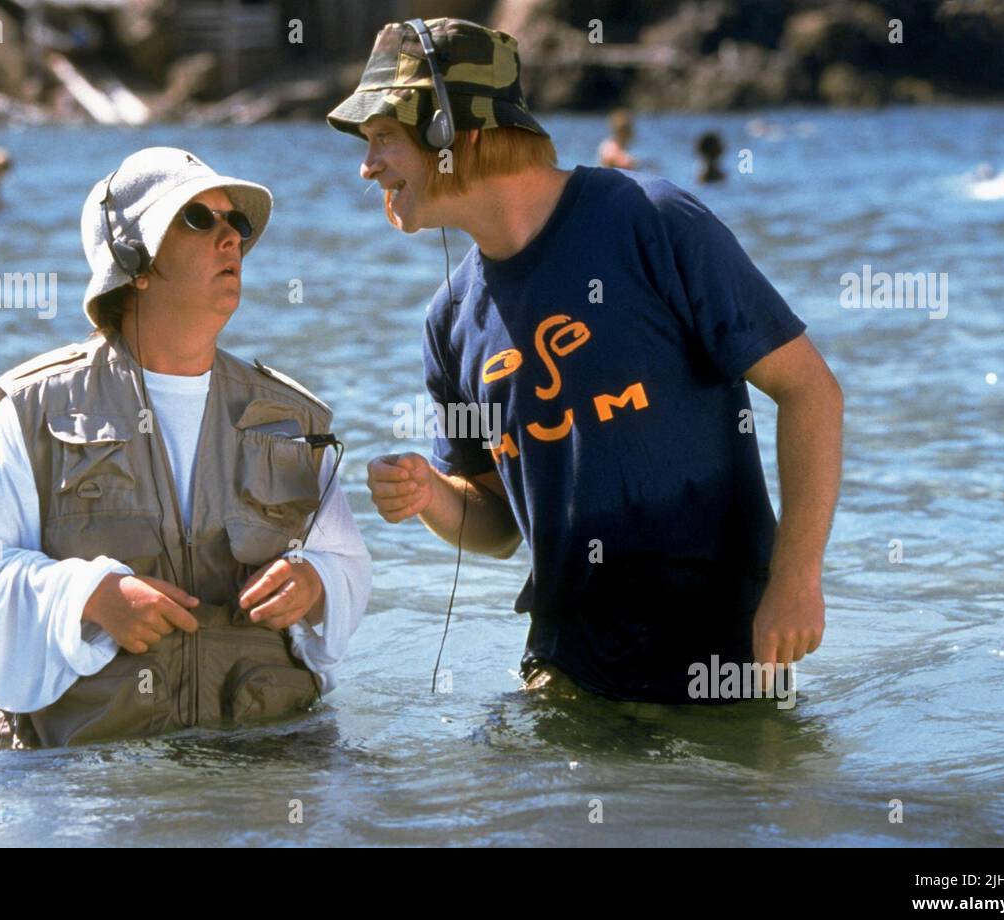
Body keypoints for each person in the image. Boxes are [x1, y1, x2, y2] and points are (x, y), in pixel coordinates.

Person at [327, 19, 842, 707]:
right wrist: (431, 497)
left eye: (383, 137)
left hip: (721, 666)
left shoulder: (650, 220)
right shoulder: (448, 321)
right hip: (563, 676)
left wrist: (797, 577)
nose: (368, 167)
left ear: (457, 134)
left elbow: (811, 391)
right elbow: (497, 524)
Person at [0, 147, 372, 748]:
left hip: (263, 759)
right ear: (133, 262)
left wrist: (315, 581)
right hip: (84, 779)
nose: (231, 240)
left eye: (237, 224)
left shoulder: (293, 417)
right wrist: (90, 596)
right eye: (199, 219)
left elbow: (347, 561)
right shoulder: (33, 409)